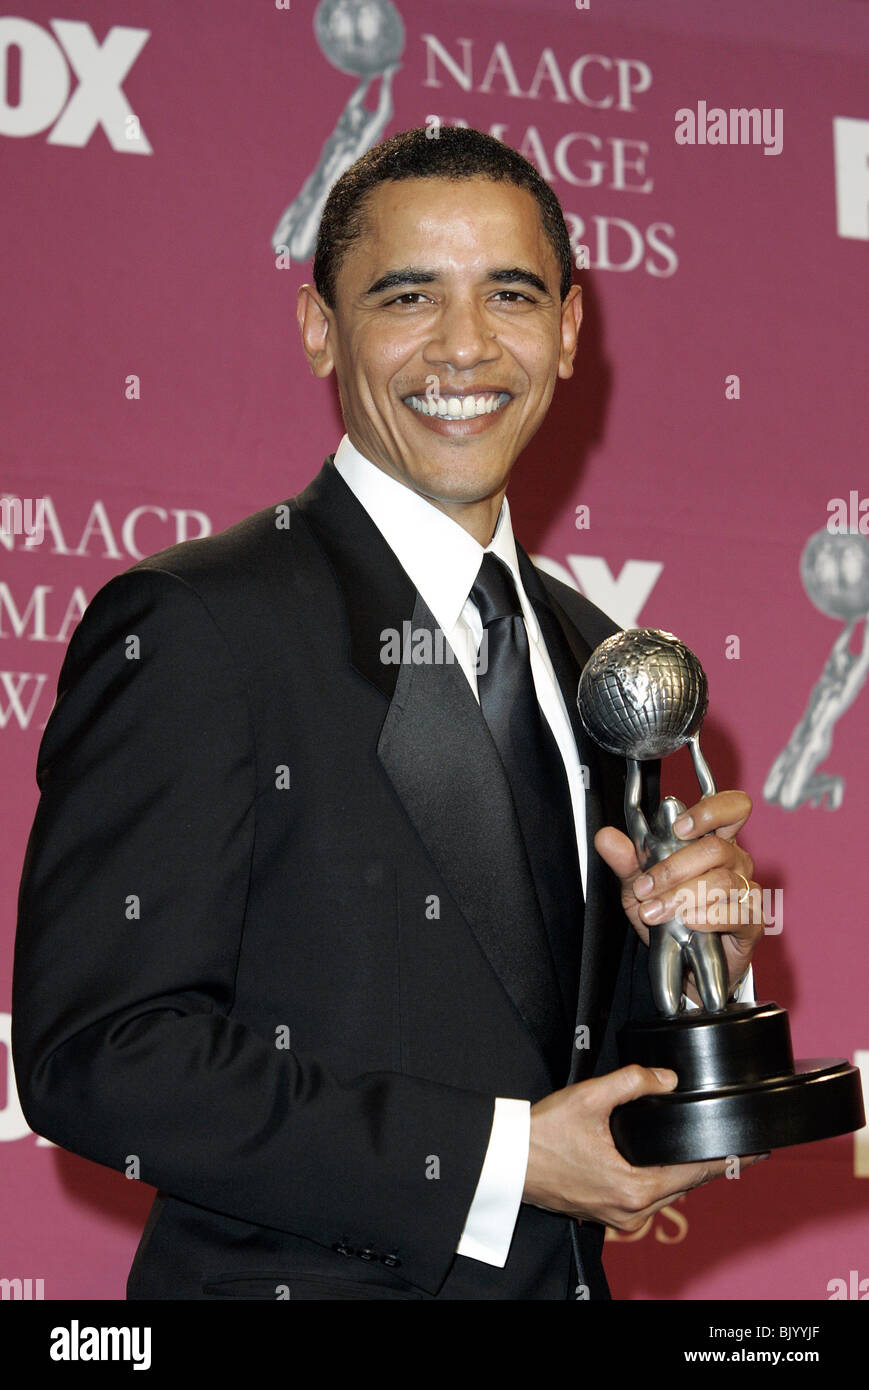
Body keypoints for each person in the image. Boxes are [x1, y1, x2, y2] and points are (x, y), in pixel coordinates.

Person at [12, 126, 763, 1301]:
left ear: (569, 331)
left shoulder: (595, 655)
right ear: (320, 326)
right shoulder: (202, 626)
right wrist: (502, 1159)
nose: (464, 346)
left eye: (509, 295)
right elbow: (99, 1054)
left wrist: (686, 966)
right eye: (407, 296)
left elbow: (555, 1063)